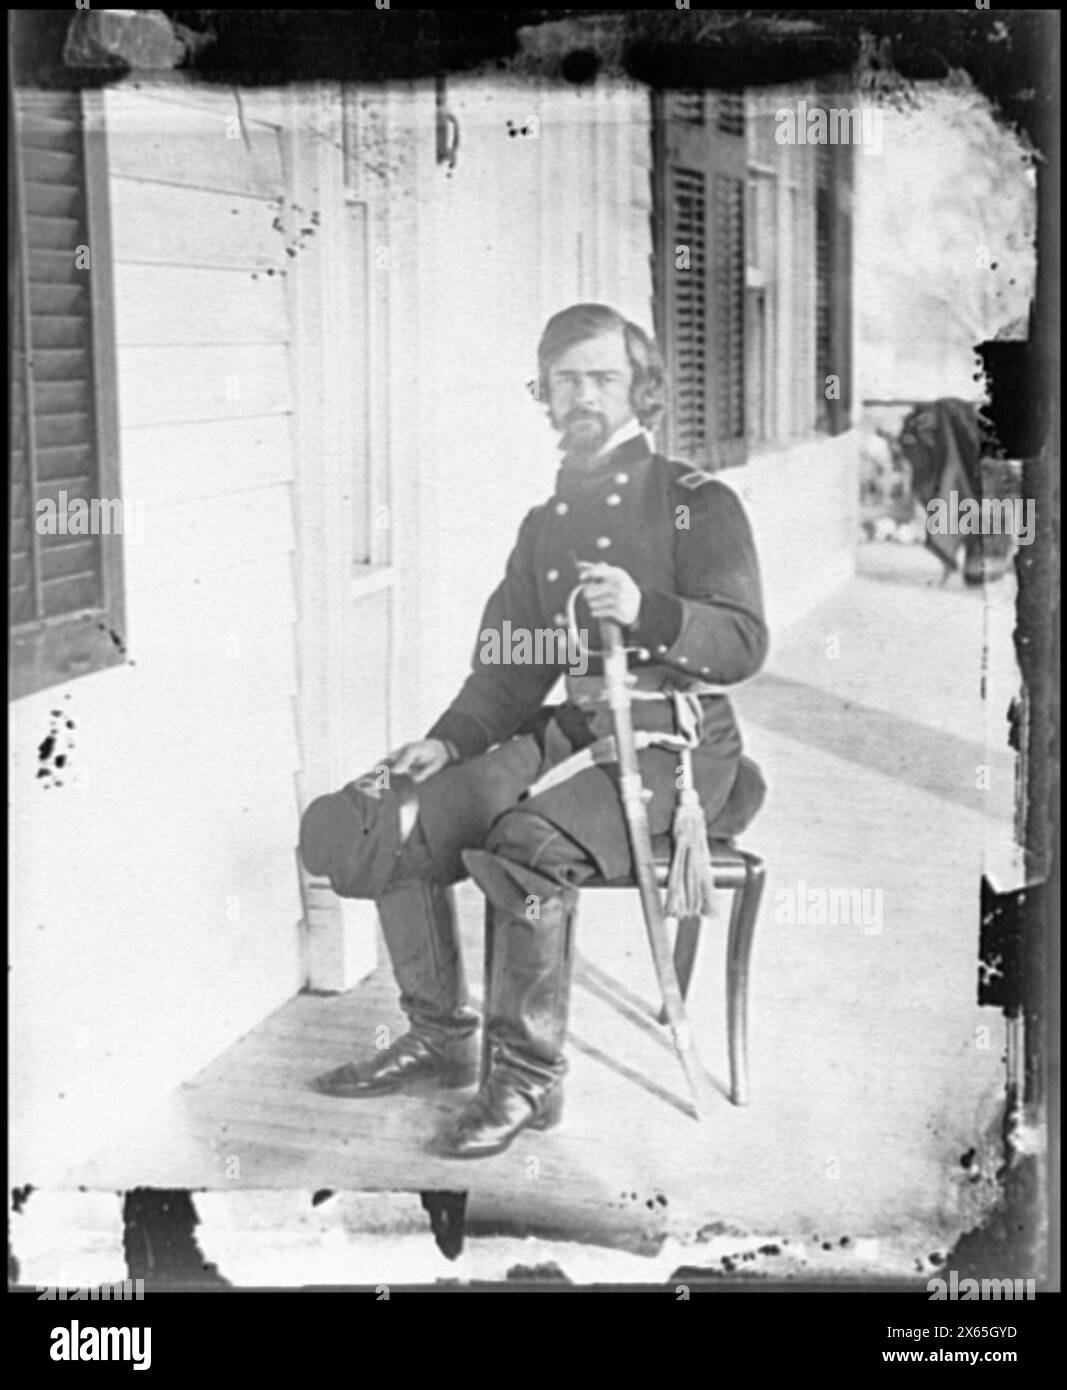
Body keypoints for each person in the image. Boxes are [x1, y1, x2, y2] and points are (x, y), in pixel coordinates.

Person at [299, 303, 769, 1159]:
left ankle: (526, 1078)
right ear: (544, 396)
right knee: (393, 818)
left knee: (526, 840)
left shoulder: (695, 503)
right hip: (577, 727)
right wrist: (448, 740)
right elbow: (512, 663)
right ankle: (442, 1034)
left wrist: (649, 610)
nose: (582, 395)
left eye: (602, 378)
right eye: (565, 381)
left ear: (641, 390)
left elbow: (742, 641)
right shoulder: (544, 525)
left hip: (678, 741)